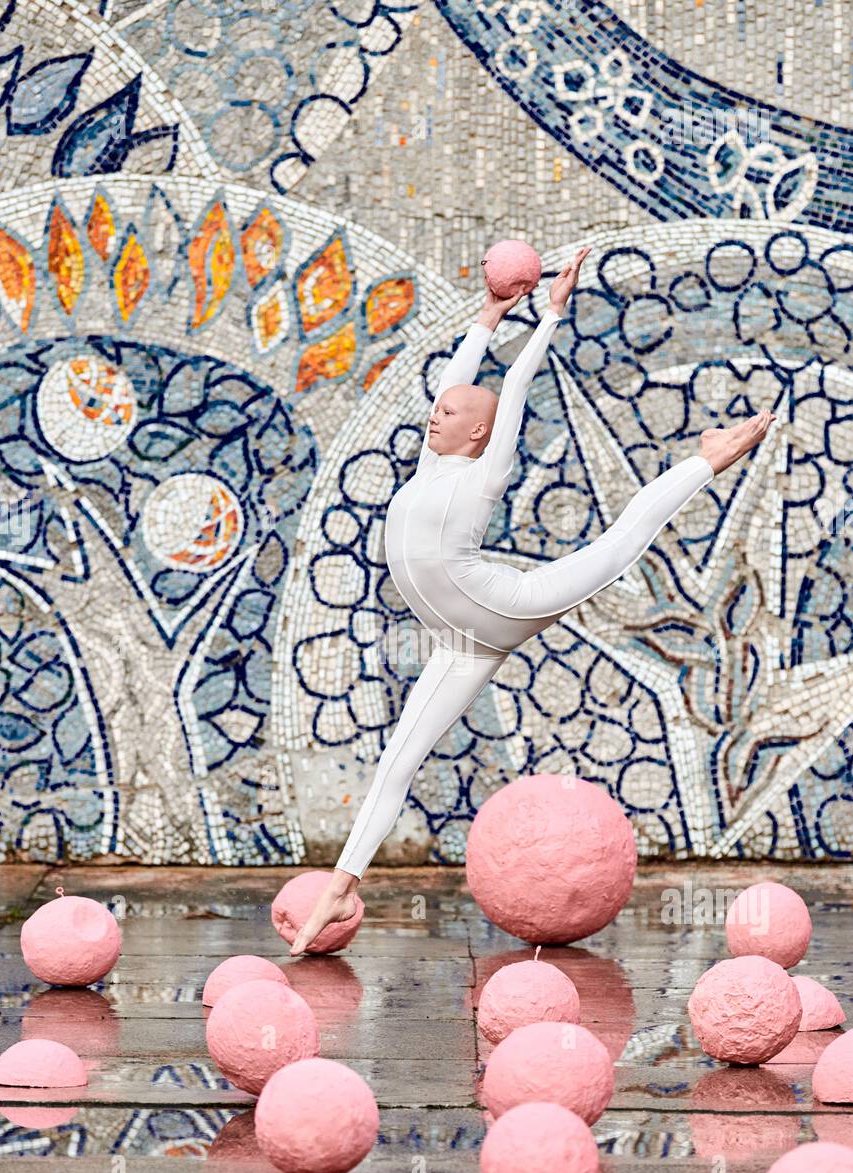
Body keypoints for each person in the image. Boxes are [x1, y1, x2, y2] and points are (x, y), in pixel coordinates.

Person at [290, 248, 776, 954]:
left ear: (479, 432)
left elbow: (511, 388)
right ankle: (341, 887)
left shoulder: (484, 474)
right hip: (461, 644)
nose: (438, 414)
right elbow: (460, 381)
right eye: (440, 408)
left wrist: (550, 313)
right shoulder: (435, 462)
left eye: (451, 412)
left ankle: (709, 458)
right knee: (398, 760)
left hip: (507, 604)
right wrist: (487, 317)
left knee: (616, 547)